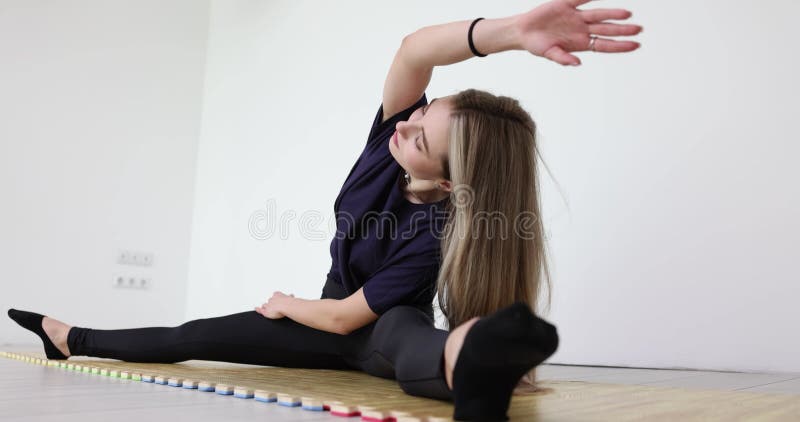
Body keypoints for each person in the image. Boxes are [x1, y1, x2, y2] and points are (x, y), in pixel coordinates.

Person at [8, 1, 642, 420]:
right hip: (327, 317)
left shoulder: (439, 226)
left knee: (401, 339)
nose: (407, 125)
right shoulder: (387, 143)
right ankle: (69, 338)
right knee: (195, 336)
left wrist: (287, 306)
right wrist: (509, 33)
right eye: (422, 112)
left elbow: (344, 321)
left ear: (450, 185)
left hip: (361, 326)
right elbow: (414, 50)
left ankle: (471, 356)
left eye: (421, 138)